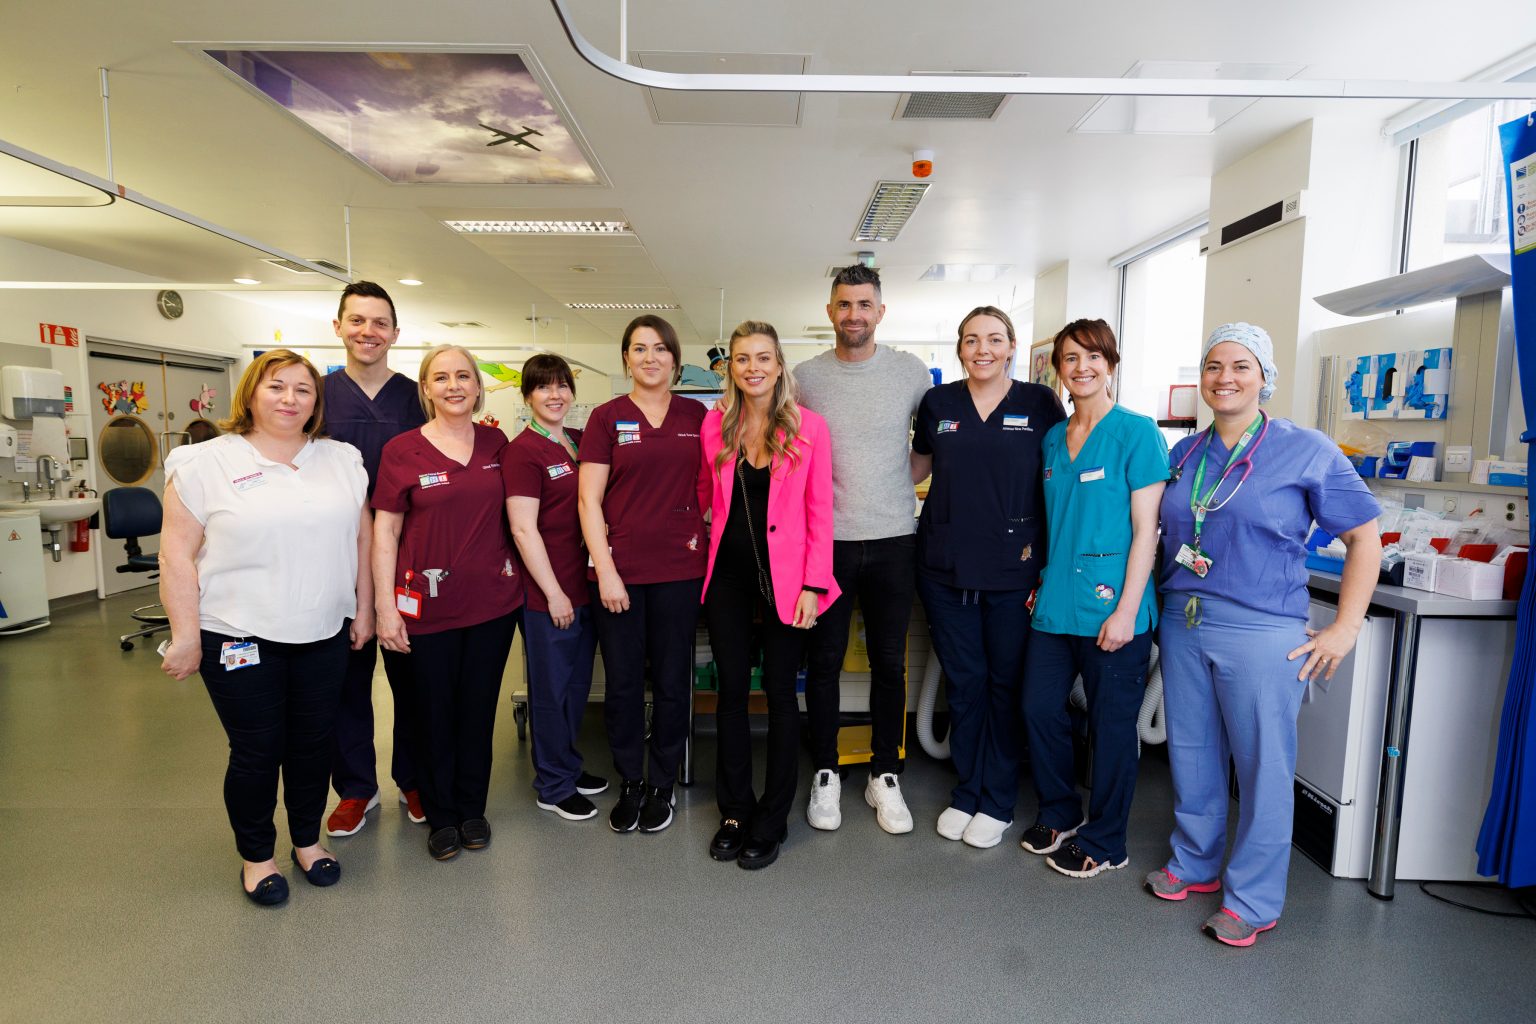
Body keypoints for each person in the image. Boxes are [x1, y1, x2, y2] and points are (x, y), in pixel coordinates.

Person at [1148, 322, 1381, 948]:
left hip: (1260, 627)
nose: (1225, 377)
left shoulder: (1307, 450)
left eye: (1241, 366)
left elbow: (1365, 539)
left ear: (1264, 377)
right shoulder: (1183, 456)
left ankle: (1252, 899)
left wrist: (1345, 627)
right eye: (1215, 366)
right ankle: (1195, 862)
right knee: (1192, 753)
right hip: (1183, 621)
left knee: (1262, 765)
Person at [159, 349, 371, 905]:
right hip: (237, 632)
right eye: (277, 387)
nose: (290, 399)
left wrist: (364, 609)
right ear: (251, 393)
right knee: (257, 749)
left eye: (303, 390)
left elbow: (362, 540)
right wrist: (184, 635)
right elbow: (176, 556)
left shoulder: (342, 459)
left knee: (312, 744)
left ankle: (306, 841)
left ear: (315, 402)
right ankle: (258, 856)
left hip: (323, 629)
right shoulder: (203, 462)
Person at [908, 306, 1064, 849]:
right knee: (965, 684)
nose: (983, 350)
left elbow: (1060, 475)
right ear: (959, 348)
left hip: (1014, 568)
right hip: (944, 567)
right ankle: (968, 790)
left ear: (1012, 346)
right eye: (972, 340)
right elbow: (914, 467)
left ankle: (997, 799)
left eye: (994, 340)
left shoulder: (1040, 403)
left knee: (1005, 685)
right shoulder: (938, 403)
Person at [1019, 319, 1167, 877]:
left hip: (1115, 605)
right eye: (1069, 359)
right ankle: (1059, 811)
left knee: (1111, 724)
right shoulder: (1054, 439)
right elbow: (1057, 521)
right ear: (1058, 368)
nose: (1080, 368)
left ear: (1110, 363)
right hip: (1056, 601)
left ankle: (1107, 839)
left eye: (1091, 357)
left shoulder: (1136, 432)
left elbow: (1146, 529)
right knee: (1036, 706)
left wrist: (1128, 609)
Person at [372, 345, 522, 861]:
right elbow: (385, 531)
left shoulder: (499, 443)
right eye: (442, 377)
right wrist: (385, 608)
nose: (454, 385)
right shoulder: (401, 450)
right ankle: (440, 814)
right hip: (426, 609)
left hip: (492, 604)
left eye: (463, 376)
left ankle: (472, 808)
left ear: (478, 387)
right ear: (427, 389)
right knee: (431, 711)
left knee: (478, 711)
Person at [795, 264, 931, 834]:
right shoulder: (803, 377)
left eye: (864, 304)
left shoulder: (911, 373)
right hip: (826, 543)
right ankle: (825, 771)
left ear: (880, 311)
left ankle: (885, 772)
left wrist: (894, 485)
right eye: (844, 304)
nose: (854, 314)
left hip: (895, 537)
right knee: (822, 662)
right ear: (830, 312)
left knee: (888, 662)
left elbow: (926, 447)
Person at [699, 322, 839, 869]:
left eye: (763, 357)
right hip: (729, 578)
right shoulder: (717, 427)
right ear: (729, 368)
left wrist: (813, 583)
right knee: (731, 693)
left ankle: (772, 816)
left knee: (781, 696)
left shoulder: (810, 428)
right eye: (741, 359)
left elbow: (821, 512)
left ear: (780, 365)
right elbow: (705, 497)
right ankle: (734, 810)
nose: (752, 367)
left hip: (790, 581)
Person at [578, 315, 708, 834]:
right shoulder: (606, 418)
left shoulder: (697, 415)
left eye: (660, 349)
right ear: (626, 359)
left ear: (675, 360)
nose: (650, 357)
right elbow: (588, 500)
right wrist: (606, 571)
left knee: (675, 682)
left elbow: (713, 486)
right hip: (620, 572)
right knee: (625, 684)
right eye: (639, 348)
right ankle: (631, 779)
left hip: (680, 568)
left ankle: (661, 781)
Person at [322, 281, 429, 839]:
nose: (368, 331)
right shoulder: (315, 397)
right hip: (335, 561)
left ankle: (413, 778)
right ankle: (356, 789)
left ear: (395, 332)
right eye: (357, 320)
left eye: (379, 322)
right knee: (346, 680)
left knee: (412, 678)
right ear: (337, 326)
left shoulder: (418, 398)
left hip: (408, 560)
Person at [503, 354, 607, 822]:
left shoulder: (579, 442)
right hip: (549, 594)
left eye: (562, 386)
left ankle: (568, 764)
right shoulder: (523, 451)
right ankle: (552, 784)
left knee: (576, 687)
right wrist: (554, 593)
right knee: (550, 690)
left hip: (582, 586)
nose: (555, 395)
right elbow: (523, 530)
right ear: (527, 396)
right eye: (544, 387)